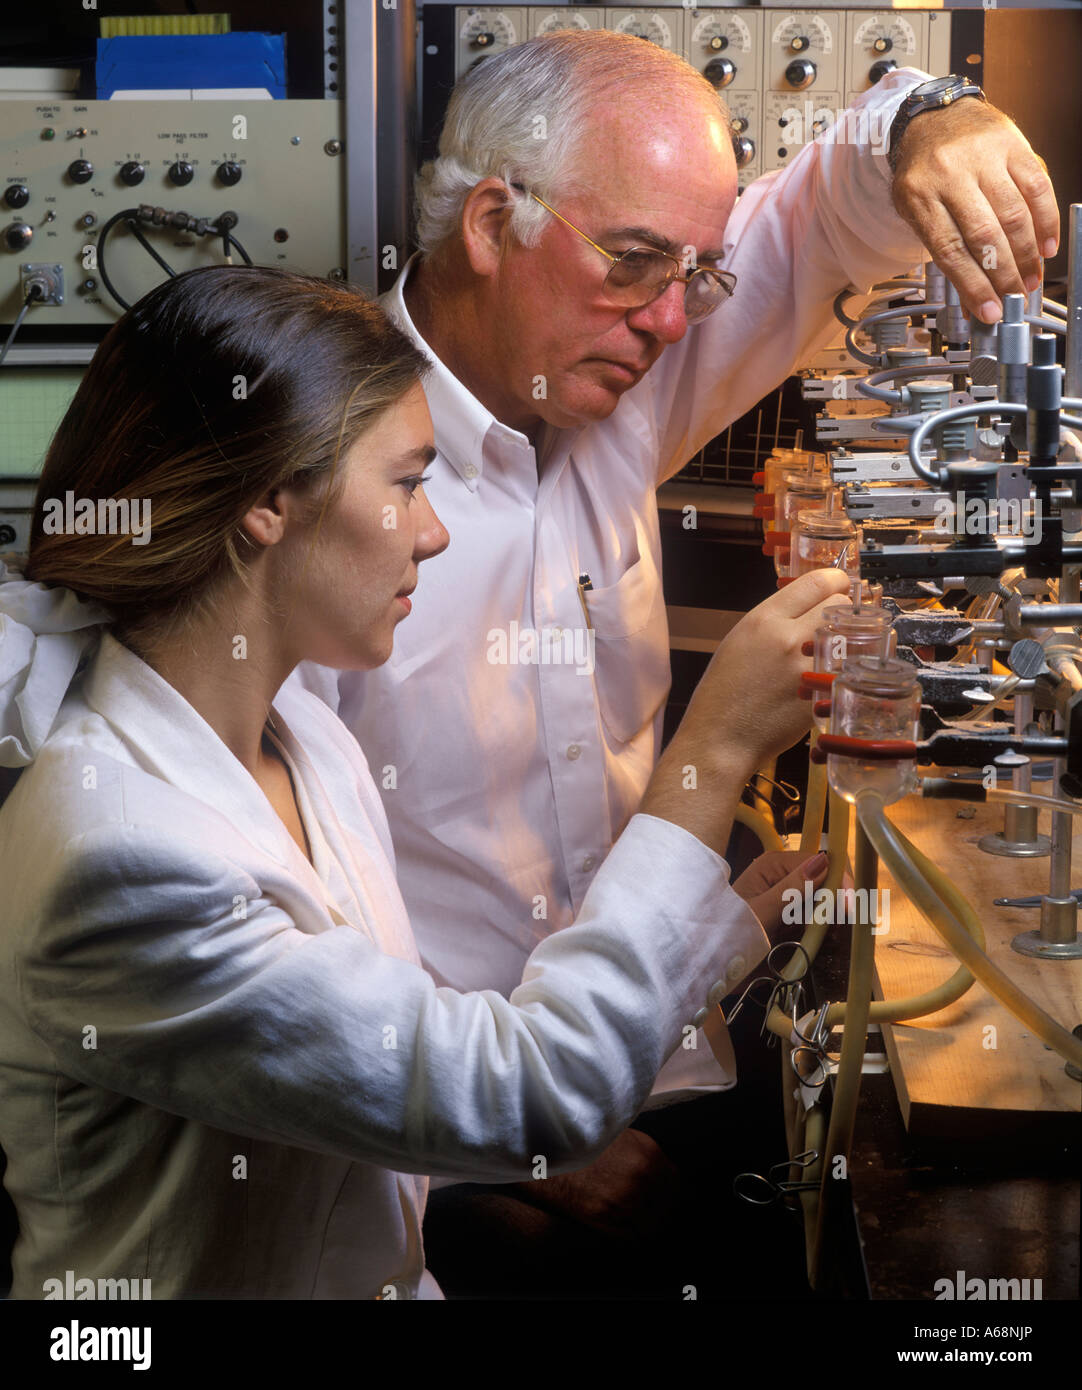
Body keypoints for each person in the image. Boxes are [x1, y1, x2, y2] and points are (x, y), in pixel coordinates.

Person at [290, 28, 1059, 1276]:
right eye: (637, 261)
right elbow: (274, 964)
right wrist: (486, 1144)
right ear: (490, 223)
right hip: (461, 1156)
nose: (666, 320)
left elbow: (816, 215)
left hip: (657, 1060)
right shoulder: (317, 497)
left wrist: (932, 116)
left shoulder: (606, 355)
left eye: (694, 275)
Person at [0, 264, 848, 1299]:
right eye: (405, 484)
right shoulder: (123, 860)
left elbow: (375, 1050)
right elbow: (531, 1099)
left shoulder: (296, 731)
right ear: (269, 501)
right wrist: (709, 755)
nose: (433, 531)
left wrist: (707, 941)